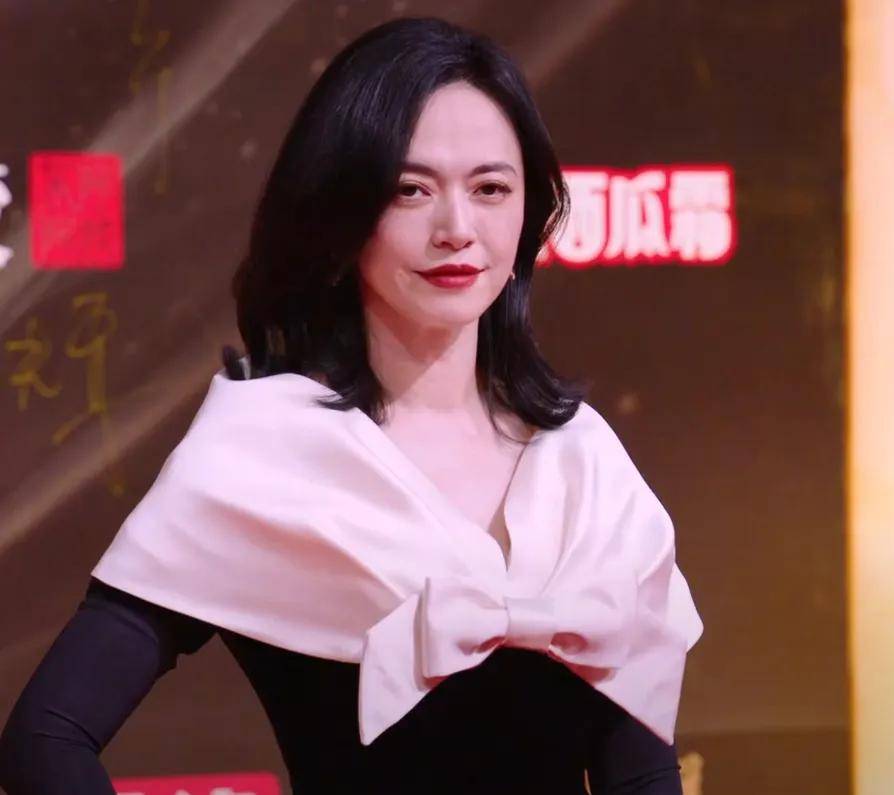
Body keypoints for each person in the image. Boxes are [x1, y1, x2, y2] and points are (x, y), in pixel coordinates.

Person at [0, 16, 703, 795]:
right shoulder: (263, 451)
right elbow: (43, 741)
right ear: (341, 211)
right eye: (411, 190)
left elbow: (642, 775)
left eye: (490, 188)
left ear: (528, 212)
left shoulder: (584, 464)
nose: (457, 229)